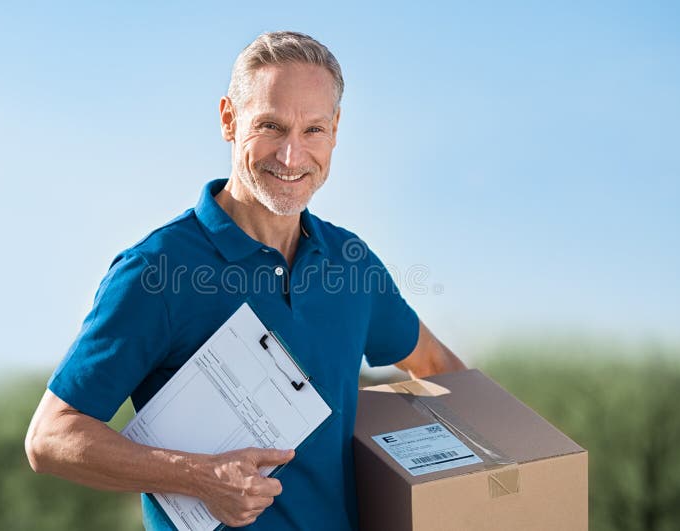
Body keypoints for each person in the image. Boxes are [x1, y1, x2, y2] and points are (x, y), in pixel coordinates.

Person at [25, 31, 466, 530]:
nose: (292, 156)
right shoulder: (157, 270)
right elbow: (51, 438)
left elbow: (437, 366)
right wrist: (201, 476)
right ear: (229, 120)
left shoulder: (352, 263)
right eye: (271, 126)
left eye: (314, 130)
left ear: (336, 129)